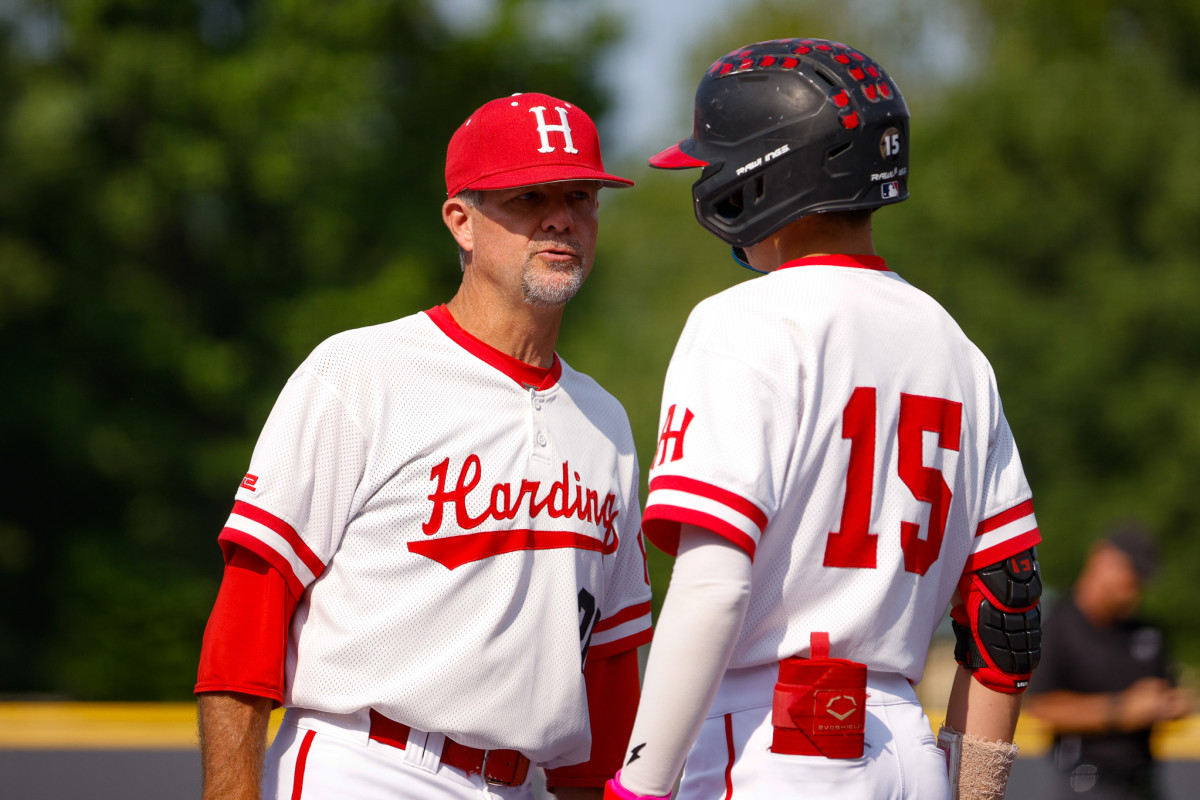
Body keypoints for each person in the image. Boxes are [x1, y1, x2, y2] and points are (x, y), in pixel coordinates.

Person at [601, 38, 1043, 800]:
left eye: (718, 160)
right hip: (908, 743)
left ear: (768, 171)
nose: (708, 177)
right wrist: (973, 791)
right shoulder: (955, 344)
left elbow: (714, 586)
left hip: (770, 740)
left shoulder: (744, 321)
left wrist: (639, 787)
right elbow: (1008, 607)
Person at [194, 92, 654, 800]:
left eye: (580, 195)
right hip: (368, 765)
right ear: (461, 221)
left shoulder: (606, 423)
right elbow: (253, 607)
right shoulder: (361, 372)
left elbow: (612, 665)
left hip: (520, 784)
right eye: (530, 196)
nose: (562, 216)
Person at [1027, 523, 1192, 799]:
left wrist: (1169, 703)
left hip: (1144, 782)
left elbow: (1166, 690)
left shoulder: (1144, 632)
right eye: (1132, 571)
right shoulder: (1059, 627)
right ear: (1101, 558)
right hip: (1087, 781)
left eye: (1144, 575)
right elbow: (1043, 706)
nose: (1137, 583)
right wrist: (1119, 710)